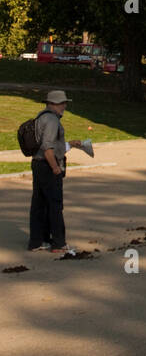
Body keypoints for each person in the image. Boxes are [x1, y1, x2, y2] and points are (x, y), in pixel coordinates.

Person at [28, 90, 82, 255]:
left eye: (64, 103)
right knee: (55, 205)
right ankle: (58, 243)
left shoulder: (41, 116)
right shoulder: (52, 120)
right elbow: (48, 147)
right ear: (52, 104)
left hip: (37, 164)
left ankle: (37, 241)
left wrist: (69, 144)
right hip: (47, 166)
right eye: (61, 103)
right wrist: (55, 168)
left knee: (39, 204)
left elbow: (47, 145)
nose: (64, 106)